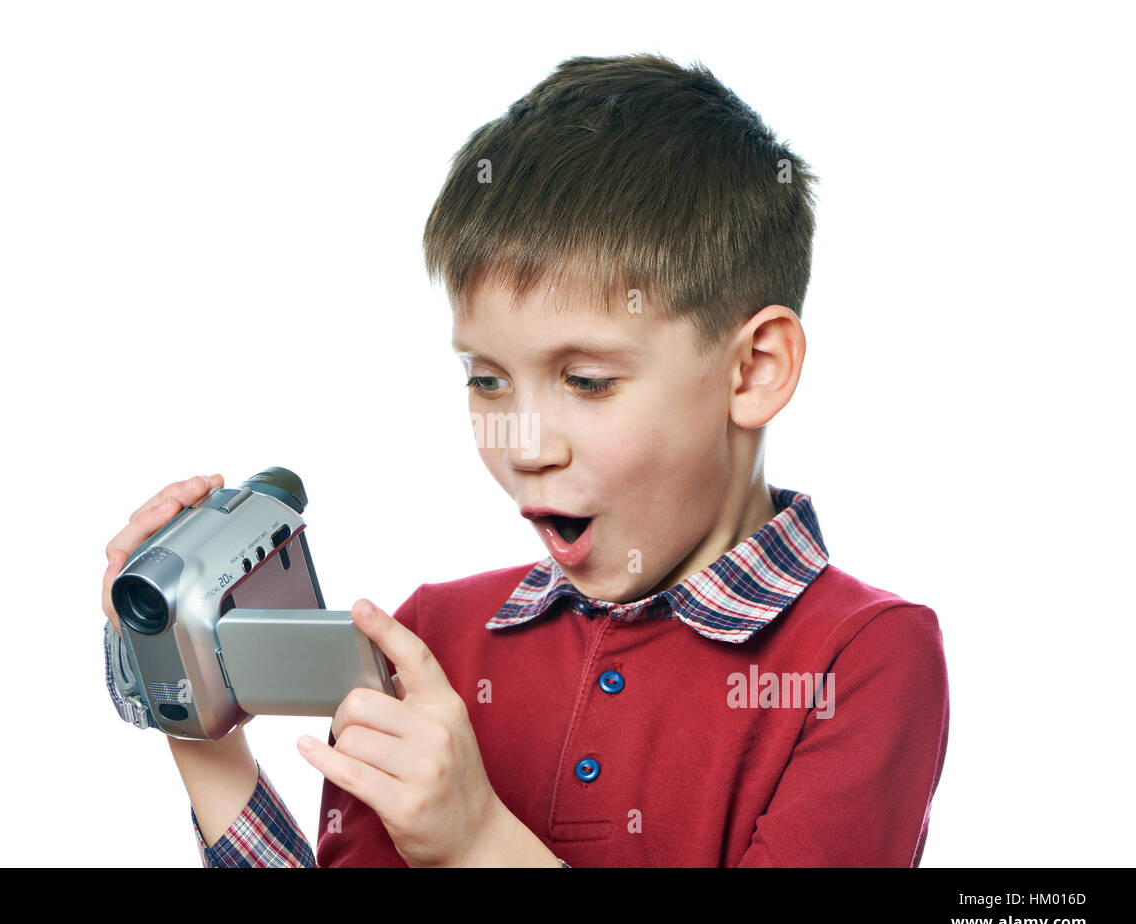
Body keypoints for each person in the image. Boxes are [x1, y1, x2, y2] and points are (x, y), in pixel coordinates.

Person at [101, 53, 950, 867]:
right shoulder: (429, 639)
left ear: (754, 369)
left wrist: (477, 845)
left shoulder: (864, 658)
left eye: (586, 380)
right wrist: (192, 708)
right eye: (487, 380)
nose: (525, 444)